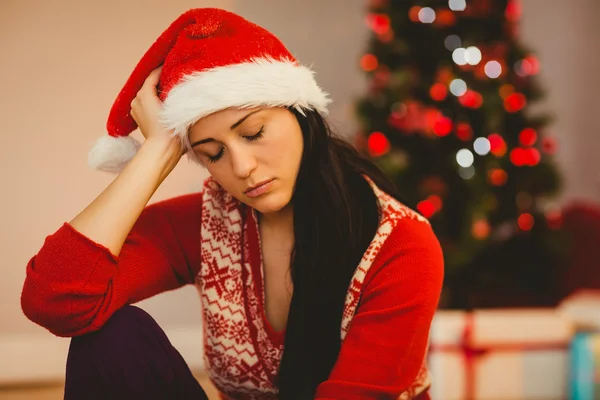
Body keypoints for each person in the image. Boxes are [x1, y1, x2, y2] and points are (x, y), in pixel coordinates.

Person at [20, 7, 444, 400]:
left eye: (254, 132)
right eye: (212, 153)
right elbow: (56, 301)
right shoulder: (211, 221)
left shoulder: (401, 244)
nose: (241, 167)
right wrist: (154, 154)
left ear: (301, 115)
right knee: (111, 338)